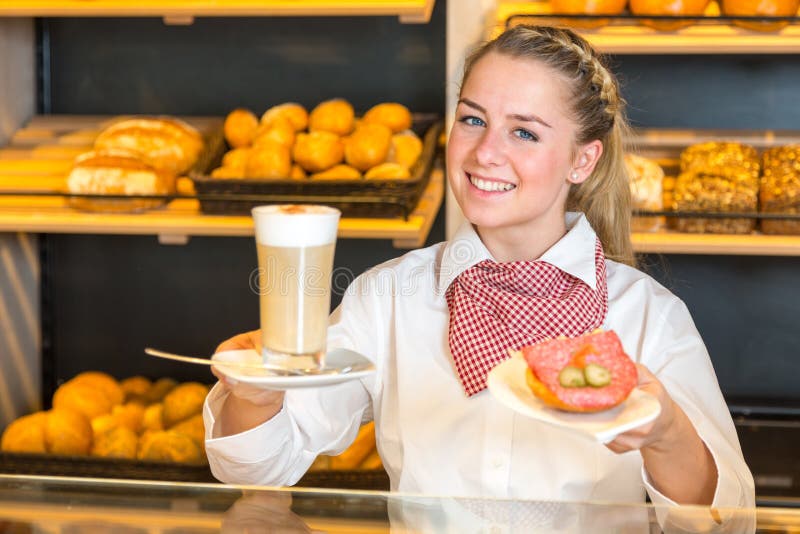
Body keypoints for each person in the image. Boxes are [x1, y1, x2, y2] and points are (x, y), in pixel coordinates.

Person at [203, 24, 754, 525]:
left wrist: (666, 434)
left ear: (582, 161)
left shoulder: (648, 315)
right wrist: (255, 393)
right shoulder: (389, 297)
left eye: (525, 133)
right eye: (473, 119)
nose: (485, 152)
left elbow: (731, 522)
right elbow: (259, 471)